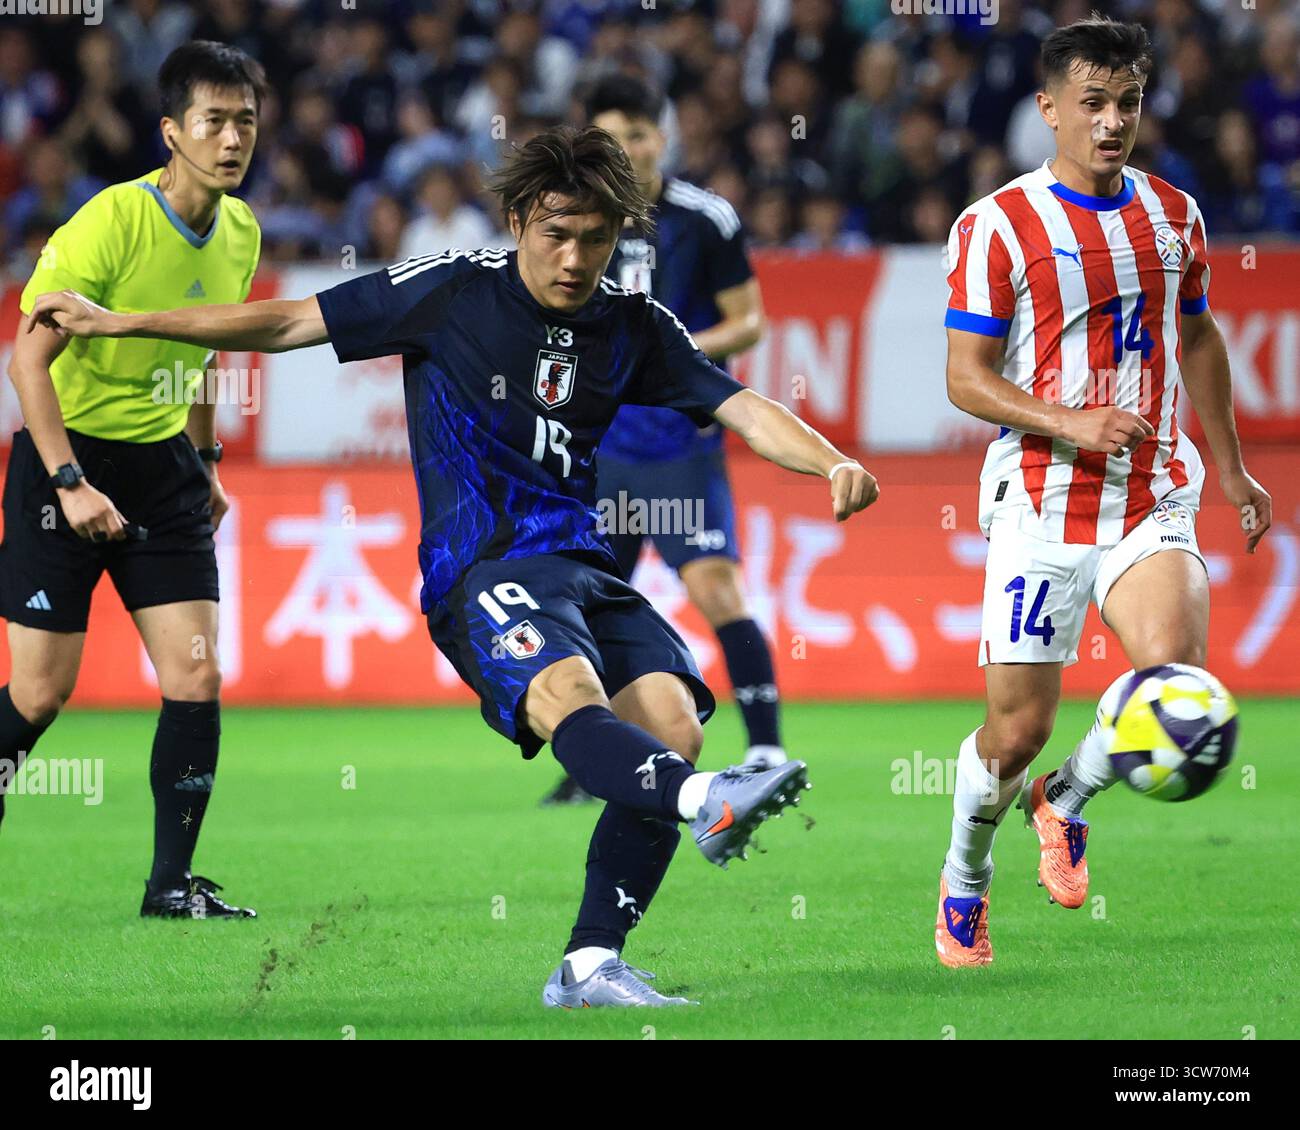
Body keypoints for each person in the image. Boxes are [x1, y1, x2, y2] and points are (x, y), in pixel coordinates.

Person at [28, 125, 880, 1006]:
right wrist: (122, 319)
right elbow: (286, 321)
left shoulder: (634, 325)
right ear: (518, 220)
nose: (575, 257)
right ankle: (704, 799)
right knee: (570, 702)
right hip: (481, 567)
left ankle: (591, 962)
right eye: (557, 233)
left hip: (580, 564)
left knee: (671, 726)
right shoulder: (449, 290)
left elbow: (740, 403)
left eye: (596, 239)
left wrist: (832, 463)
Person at [936, 15, 1272, 967]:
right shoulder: (997, 224)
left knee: (1175, 677)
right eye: (1092, 104)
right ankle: (967, 873)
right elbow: (965, 377)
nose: (1113, 121)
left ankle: (1070, 798)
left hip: (1150, 492)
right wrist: (1069, 419)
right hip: (1041, 502)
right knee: (1015, 731)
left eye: (1127, 102)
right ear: (1049, 109)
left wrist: (1235, 466)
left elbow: (1198, 338)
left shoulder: (1176, 215)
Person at [2, 41, 265, 919]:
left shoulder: (241, 231)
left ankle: (170, 885)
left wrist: (208, 460)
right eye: (215, 122)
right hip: (63, 458)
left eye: (246, 123)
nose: (233, 140)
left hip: (162, 471)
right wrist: (69, 480)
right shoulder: (106, 223)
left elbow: (207, 346)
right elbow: (26, 359)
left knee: (196, 676)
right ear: (171, 131)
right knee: (40, 693)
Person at [542, 74, 785, 809]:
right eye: (612, 138)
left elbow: (749, 322)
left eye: (641, 135)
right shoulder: (578, 224)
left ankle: (768, 745)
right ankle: (603, 759)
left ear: (664, 137)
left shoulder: (705, 219)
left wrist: (667, 351)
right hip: (599, 453)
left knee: (716, 588)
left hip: (680, 447)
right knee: (587, 610)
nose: (630, 149)